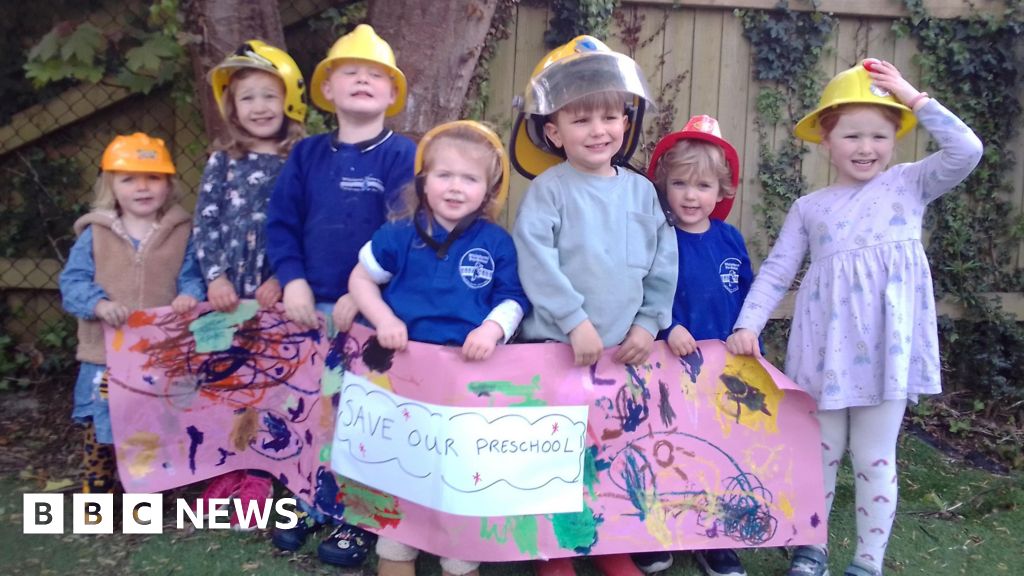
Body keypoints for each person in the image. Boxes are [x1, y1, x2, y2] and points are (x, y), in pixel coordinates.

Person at [726, 59, 983, 576]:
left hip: (886, 354)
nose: (866, 148)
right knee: (819, 452)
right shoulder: (809, 207)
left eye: (879, 136)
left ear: (896, 139)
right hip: (824, 350)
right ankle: (811, 547)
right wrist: (747, 323)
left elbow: (968, 150)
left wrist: (913, 97)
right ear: (826, 139)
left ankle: (867, 562)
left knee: (873, 458)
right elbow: (777, 271)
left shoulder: (910, 185)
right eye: (851, 136)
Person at [509, 35, 678, 576]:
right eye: (581, 122)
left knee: (616, 450)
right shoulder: (550, 191)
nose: (598, 130)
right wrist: (573, 320)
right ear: (553, 132)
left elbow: (661, 265)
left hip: (623, 355)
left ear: (626, 122)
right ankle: (557, 551)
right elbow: (535, 260)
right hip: (560, 350)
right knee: (559, 454)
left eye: (609, 116)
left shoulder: (642, 192)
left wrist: (650, 324)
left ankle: (611, 545)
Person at [348, 120, 530, 576]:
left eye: (469, 178)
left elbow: (514, 299)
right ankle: (396, 555)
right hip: (403, 377)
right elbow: (360, 279)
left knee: (462, 477)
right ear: (423, 181)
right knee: (400, 476)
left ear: (489, 190)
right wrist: (385, 319)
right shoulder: (398, 234)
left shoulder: (496, 242)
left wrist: (491, 329)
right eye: (444, 175)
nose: (455, 187)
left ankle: (458, 559)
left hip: (468, 384)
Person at [265, 24, 416, 568]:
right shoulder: (305, 156)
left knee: (361, 419)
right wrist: (293, 279)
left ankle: (355, 519)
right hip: (309, 311)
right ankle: (308, 502)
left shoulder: (403, 155)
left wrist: (367, 288)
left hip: (370, 316)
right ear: (327, 89)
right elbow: (281, 225)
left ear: (391, 93)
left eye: (374, 74)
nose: (361, 80)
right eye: (349, 71)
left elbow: (405, 233)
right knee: (309, 410)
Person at [191, 40, 308, 530]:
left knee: (271, 381)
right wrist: (214, 276)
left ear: (289, 101)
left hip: (275, 292)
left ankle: (263, 471)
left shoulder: (300, 158)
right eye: (247, 98)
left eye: (268, 95)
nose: (259, 107)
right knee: (225, 378)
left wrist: (283, 277)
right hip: (226, 295)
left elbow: (307, 223)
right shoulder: (222, 160)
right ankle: (226, 466)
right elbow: (206, 221)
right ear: (231, 108)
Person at [59, 133, 206, 494]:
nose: (142, 188)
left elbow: (194, 276)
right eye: (129, 179)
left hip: (161, 355)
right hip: (105, 356)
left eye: (153, 178)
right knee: (103, 430)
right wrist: (99, 304)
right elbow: (72, 282)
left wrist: (190, 295)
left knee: (154, 427)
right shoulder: (95, 233)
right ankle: (97, 498)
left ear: (169, 184)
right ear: (111, 186)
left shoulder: (182, 232)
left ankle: (147, 496)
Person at [647, 114, 750, 576]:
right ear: (664, 185)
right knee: (665, 447)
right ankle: (655, 532)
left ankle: (716, 537)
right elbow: (645, 292)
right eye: (681, 183)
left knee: (719, 451)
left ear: (722, 191)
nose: (691, 195)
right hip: (668, 366)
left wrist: (748, 337)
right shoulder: (658, 237)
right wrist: (669, 327)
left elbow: (747, 297)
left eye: (703, 186)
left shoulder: (730, 239)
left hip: (722, 371)